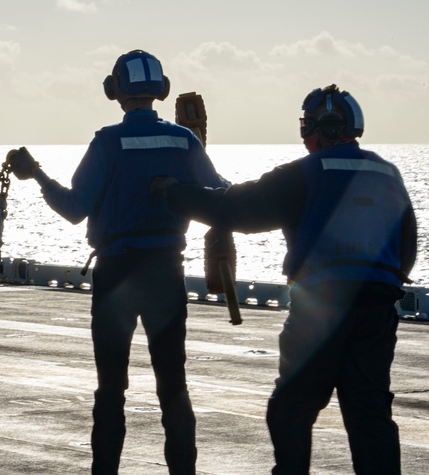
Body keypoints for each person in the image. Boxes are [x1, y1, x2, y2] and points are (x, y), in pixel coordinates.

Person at [155, 84, 416, 475]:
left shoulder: (306, 173)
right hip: (377, 308)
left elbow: (237, 210)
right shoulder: (388, 173)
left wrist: (177, 193)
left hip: (320, 308)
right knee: (370, 414)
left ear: (318, 127)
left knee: (291, 410)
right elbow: (407, 243)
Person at [6, 49, 227, 475]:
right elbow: (219, 196)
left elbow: (74, 208)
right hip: (166, 272)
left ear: (115, 91)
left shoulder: (107, 142)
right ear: (161, 89)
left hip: (117, 275)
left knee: (111, 389)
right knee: (173, 387)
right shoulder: (185, 140)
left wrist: (37, 175)